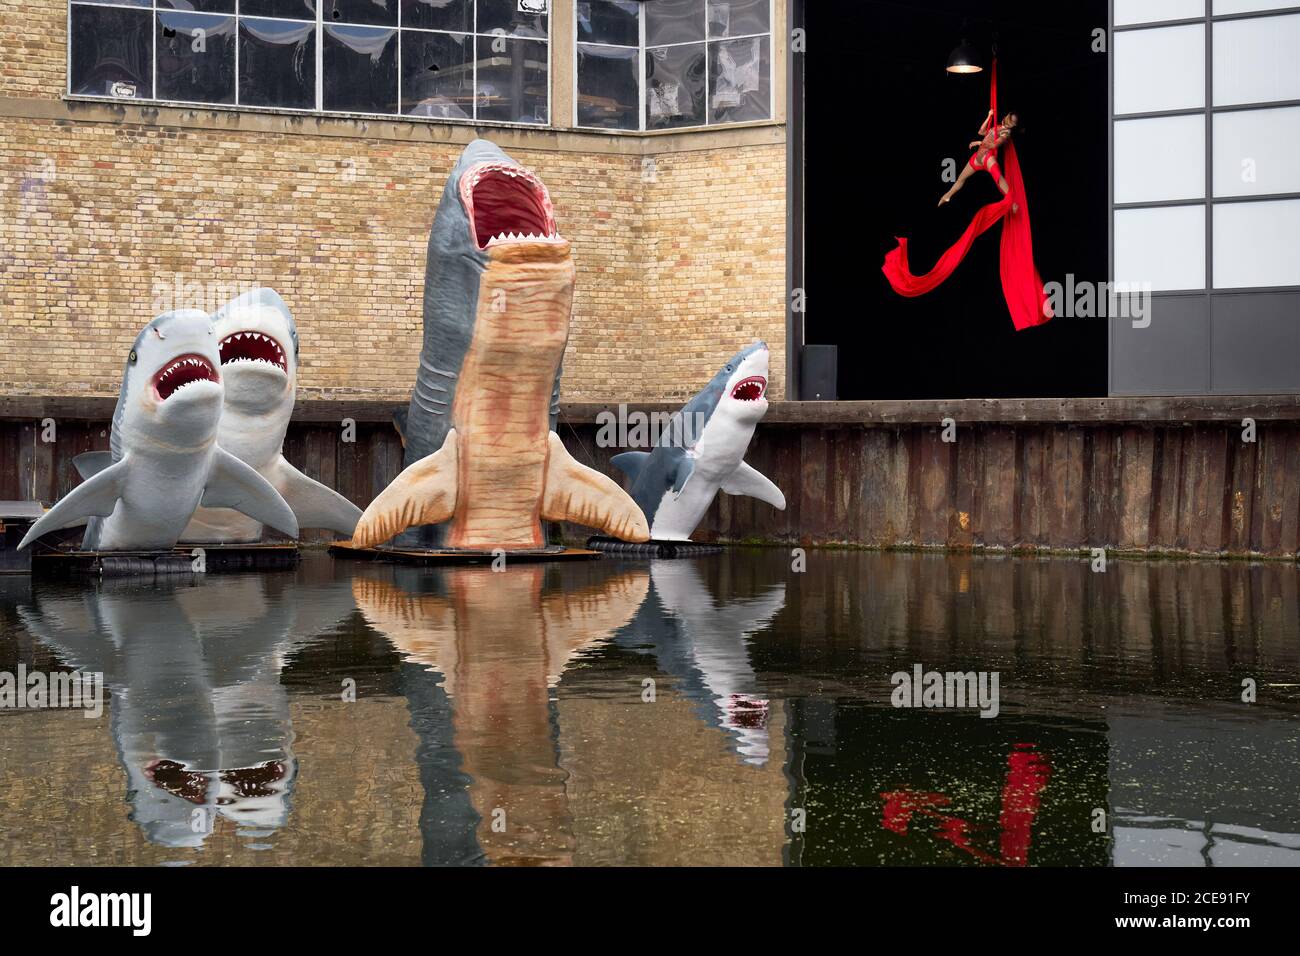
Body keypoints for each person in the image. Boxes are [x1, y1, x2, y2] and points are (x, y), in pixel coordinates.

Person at [939, 109, 1020, 208]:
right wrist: (989, 116)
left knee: (998, 177)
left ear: (1012, 125)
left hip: (987, 157)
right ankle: (947, 196)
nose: (1006, 119)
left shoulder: (1006, 133)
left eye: (1010, 121)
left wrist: (978, 143)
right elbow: (981, 131)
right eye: (1008, 118)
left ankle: (1013, 202)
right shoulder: (997, 127)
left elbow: (994, 145)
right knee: (960, 179)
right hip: (978, 157)